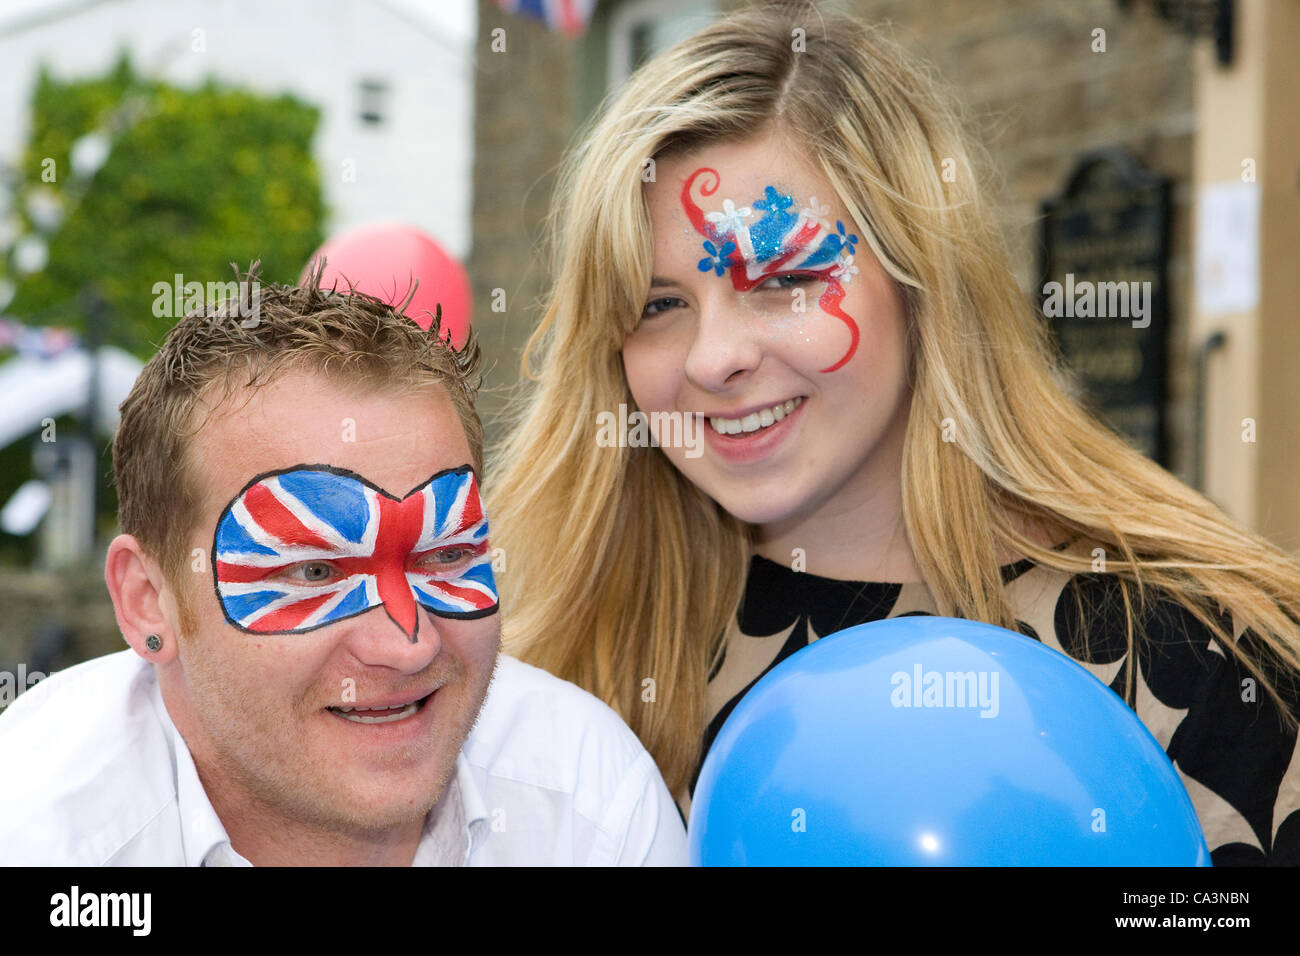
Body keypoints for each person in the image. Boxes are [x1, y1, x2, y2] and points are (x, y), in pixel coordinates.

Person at [488, 1, 1300, 864]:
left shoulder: (1202, 656)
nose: (713, 357)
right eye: (658, 305)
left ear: (921, 282)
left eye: (785, 279)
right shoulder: (562, 654)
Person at [0, 270, 687, 866]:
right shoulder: (36, 832)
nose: (408, 644)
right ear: (149, 602)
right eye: (314, 573)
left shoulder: (586, 805)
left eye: (445, 555)